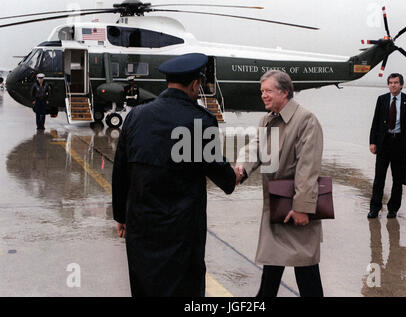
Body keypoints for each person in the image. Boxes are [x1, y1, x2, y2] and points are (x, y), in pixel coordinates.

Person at [112, 53, 240, 297]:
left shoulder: (136, 116)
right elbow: (222, 176)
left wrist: (121, 216)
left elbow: (120, 172)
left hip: (141, 227)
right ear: (194, 84)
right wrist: (235, 176)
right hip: (182, 232)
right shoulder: (201, 121)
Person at [236, 70, 324, 297]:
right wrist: (241, 168)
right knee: (273, 268)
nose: (263, 95)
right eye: (262, 91)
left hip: (294, 206)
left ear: (285, 92)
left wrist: (302, 207)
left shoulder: (306, 120)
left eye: (268, 91)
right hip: (277, 204)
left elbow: (308, 167)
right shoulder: (267, 120)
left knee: (305, 269)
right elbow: (255, 148)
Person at [368, 73, 406, 219]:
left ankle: (393, 209)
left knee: (397, 179)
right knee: (379, 178)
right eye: (390, 82)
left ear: (401, 85)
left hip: (400, 145)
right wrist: (372, 142)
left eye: (396, 83)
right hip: (384, 143)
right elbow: (375, 122)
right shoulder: (382, 99)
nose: (393, 85)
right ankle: (375, 208)